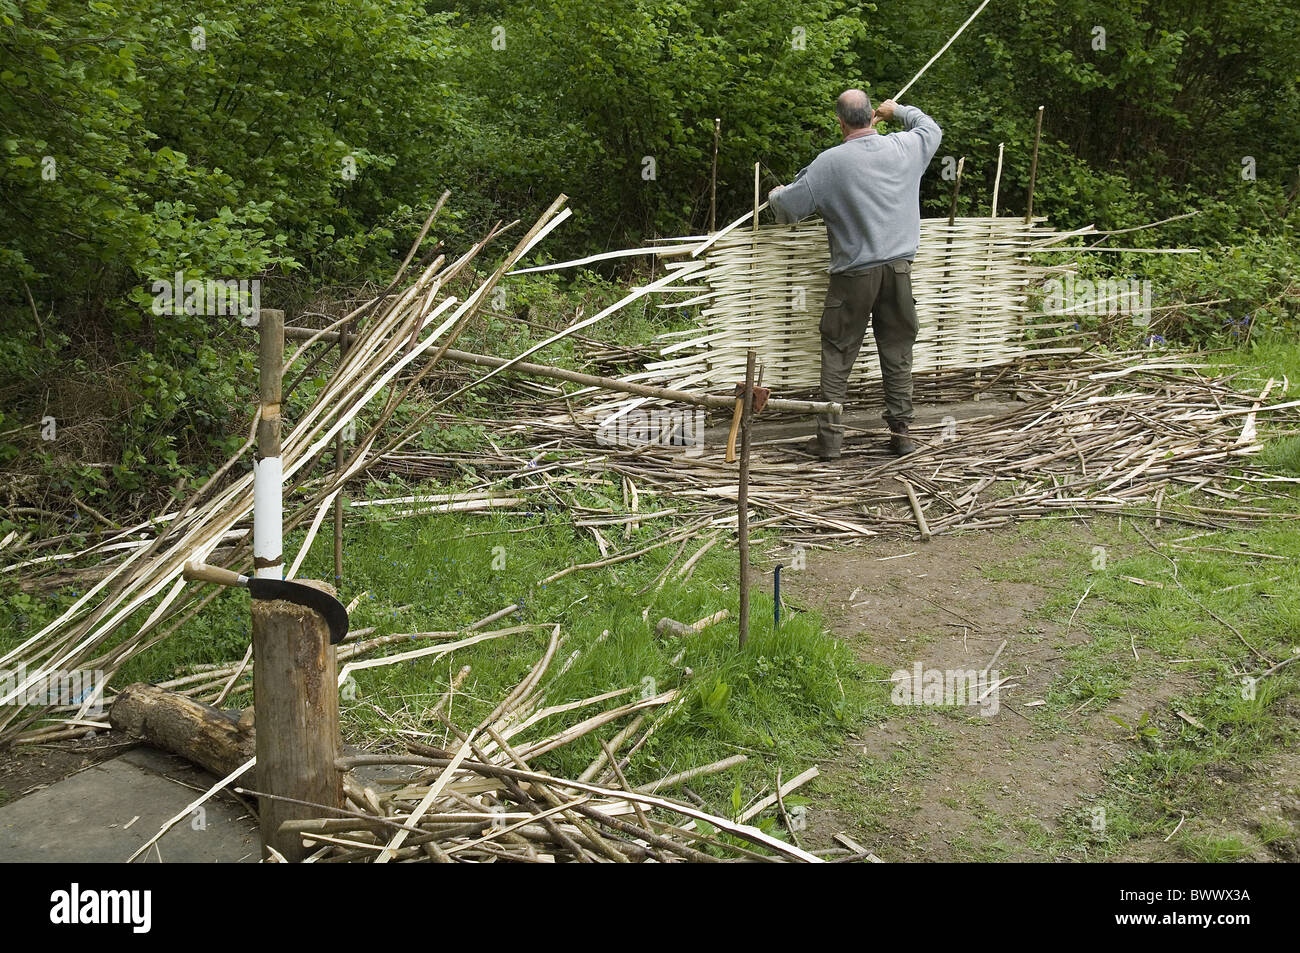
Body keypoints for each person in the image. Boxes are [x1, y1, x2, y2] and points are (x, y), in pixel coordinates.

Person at [768, 89, 942, 458]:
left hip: (852, 278)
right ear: (872, 116)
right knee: (897, 352)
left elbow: (787, 210)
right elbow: (931, 129)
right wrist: (898, 111)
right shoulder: (904, 147)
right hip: (898, 271)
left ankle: (830, 441)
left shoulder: (830, 164)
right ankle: (902, 434)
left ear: (841, 122)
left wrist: (776, 194)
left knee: (837, 352)